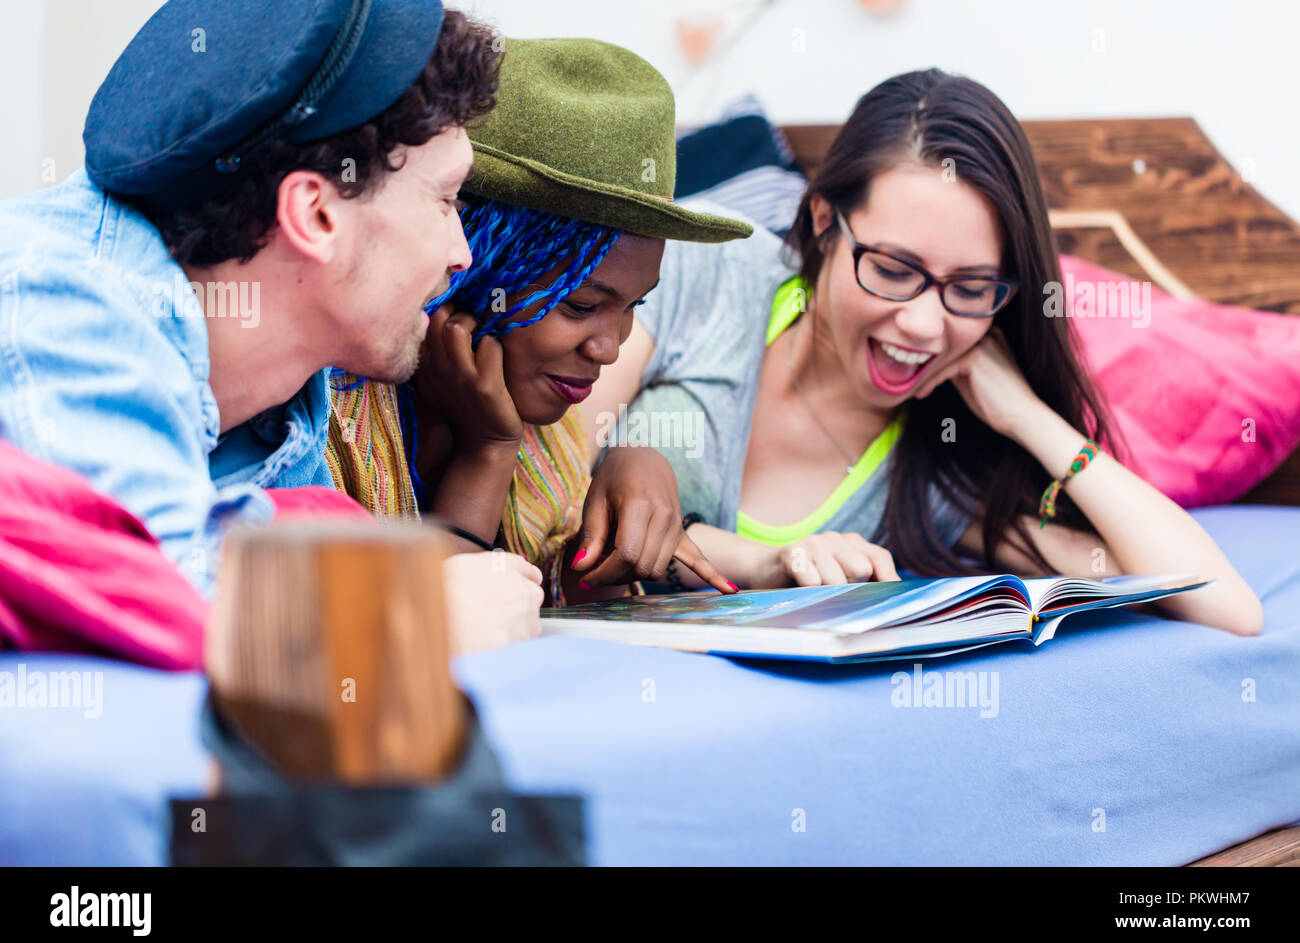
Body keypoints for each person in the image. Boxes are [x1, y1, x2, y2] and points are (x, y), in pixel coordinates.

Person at [580, 68, 1262, 635]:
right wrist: (755, 555)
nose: (925, 325)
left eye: (971, 287)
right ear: (824, 223)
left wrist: (1030, 418)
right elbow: (549, 485)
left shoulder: (936, 482)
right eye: (894, 269)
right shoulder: (712, 271)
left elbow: (1223, 605)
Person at [0, 0, 544, 644]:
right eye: (447, 200)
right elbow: (168, 622)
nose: (463, 254)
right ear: (314, 216)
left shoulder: (285, 390)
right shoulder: (58, 303)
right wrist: (420, 618)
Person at [325, 38, 752, 605]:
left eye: (634, 308)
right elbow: (423, 634)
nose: (610, 348)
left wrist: (632, 470)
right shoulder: (331, 416)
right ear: (474, 263)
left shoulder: (547, 439)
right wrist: (487, 453)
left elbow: (555, 605)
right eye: (580, 305)